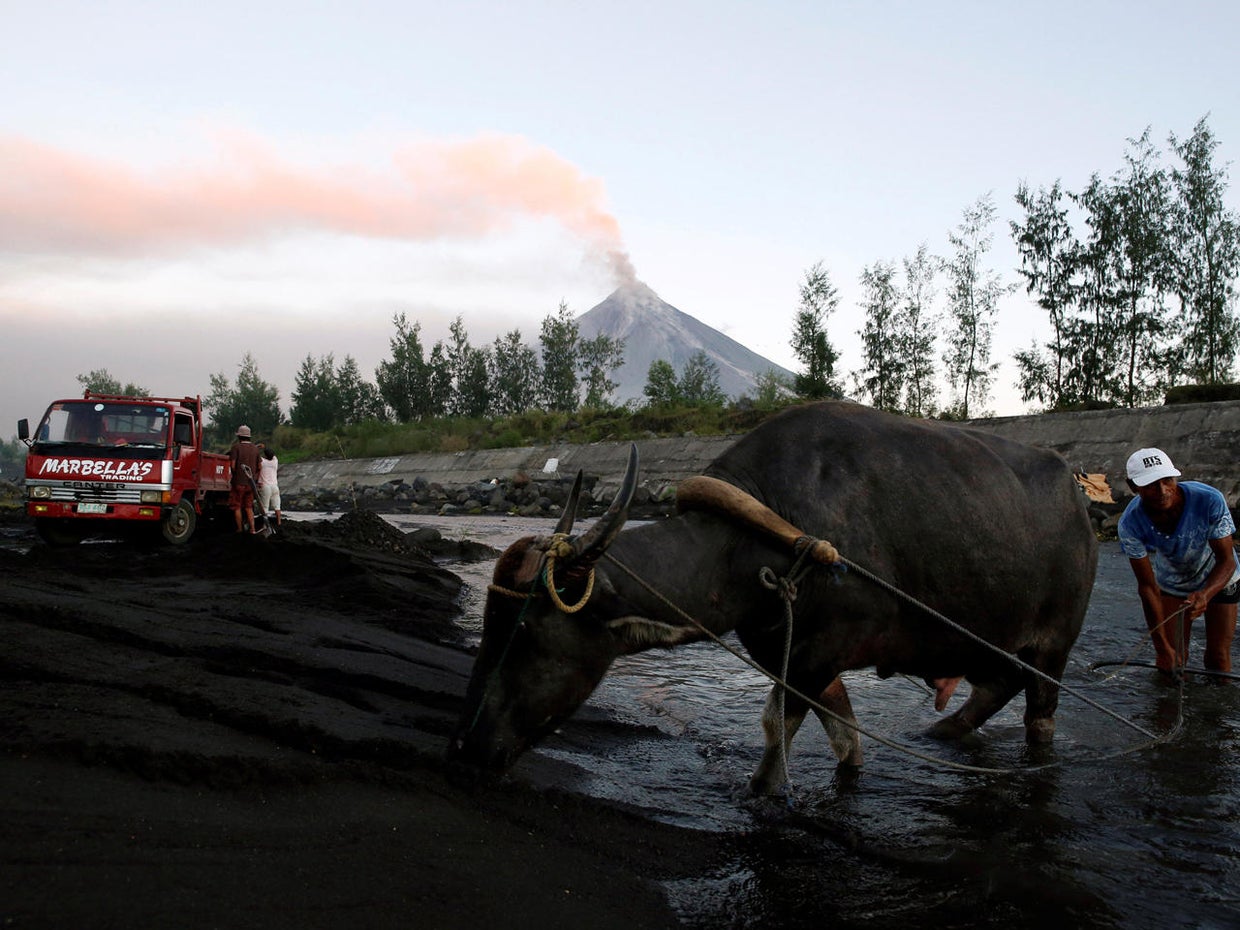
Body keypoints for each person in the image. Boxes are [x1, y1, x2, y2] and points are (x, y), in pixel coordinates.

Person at [1118, 447, 1239, 675]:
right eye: (1151, 485)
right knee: (1173, 659)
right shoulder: (1129, 524)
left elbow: (1227, 560)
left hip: (1220, 576)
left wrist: (1205, 594)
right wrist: (1161, 647)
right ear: (1134, 487)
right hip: (1173, 582)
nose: (1163, 491)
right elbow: (1147, 588)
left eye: (1168, 481)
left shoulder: (1209, 499)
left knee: (1218, 657)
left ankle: (1216, 709)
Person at [228, 425, 263, 535]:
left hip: (238, 483)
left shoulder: (236, 448)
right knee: (248, 507)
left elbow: (233, 466)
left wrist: (235, 475)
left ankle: (240, 529)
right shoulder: (255, 449)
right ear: (249, 437)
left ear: (239, 436)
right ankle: (252, 529)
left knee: (237, 506)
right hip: (250, 483)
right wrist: (255, 477)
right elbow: (260, 466)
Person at [258, 445, 282, 527]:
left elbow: (255, 455)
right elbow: (272, 454)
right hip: (275, 486)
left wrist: (258, 447)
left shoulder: (262, 461)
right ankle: (279, 522)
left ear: (265, 455)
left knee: (265, 507)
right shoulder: (275, 461)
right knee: (277, 506)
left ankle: (265, 524)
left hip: (265, 486)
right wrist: (266, 448)